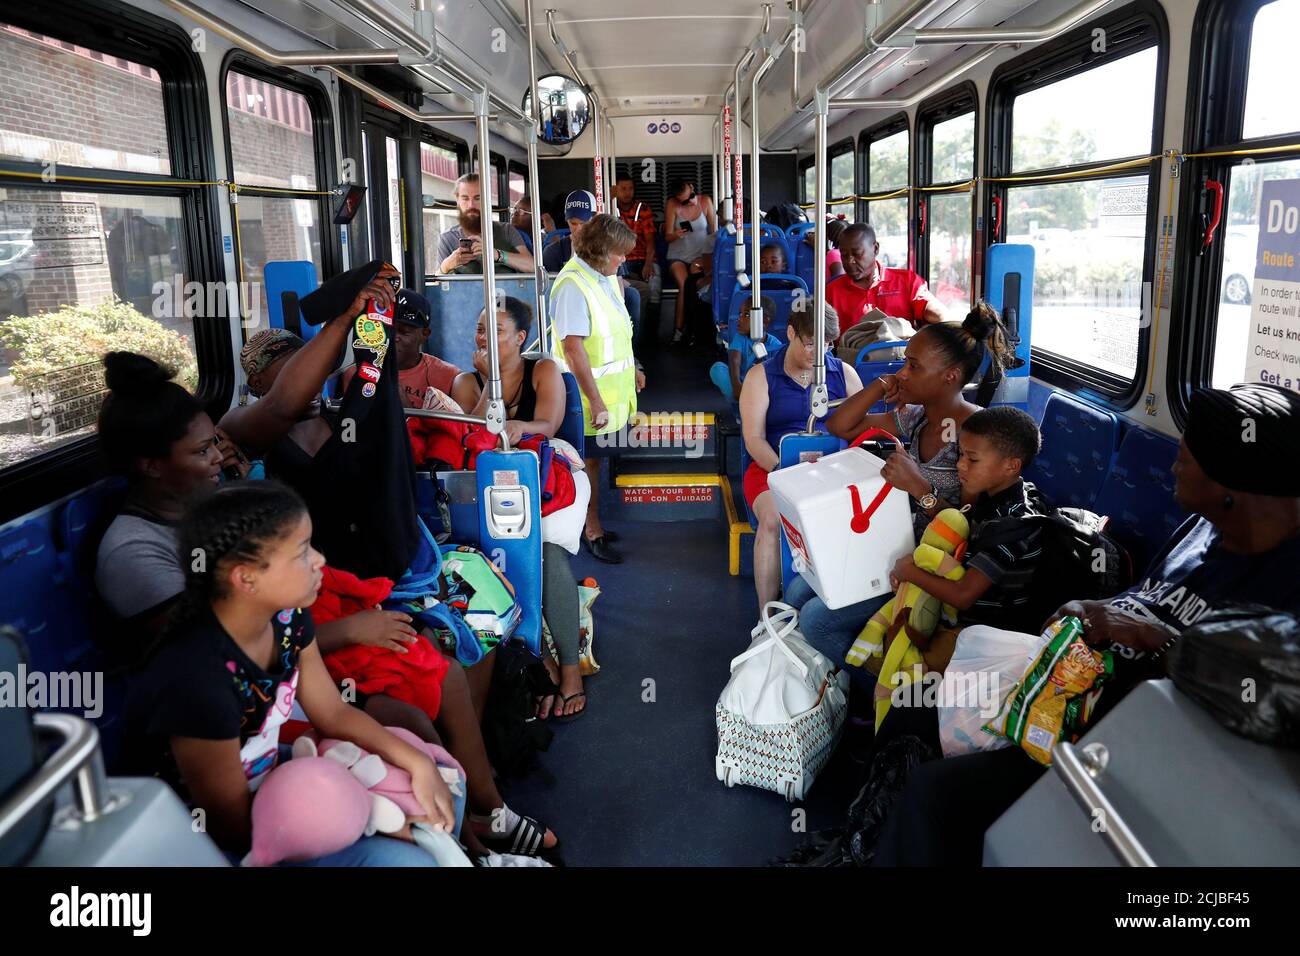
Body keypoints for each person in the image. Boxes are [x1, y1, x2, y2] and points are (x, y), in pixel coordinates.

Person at [94, 349, 557, 858]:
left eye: (216, 447)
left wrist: (411, 773)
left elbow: (329, 708)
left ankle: (474, 834)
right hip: (232, 811)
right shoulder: (184, 649)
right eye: (202, 452)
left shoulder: (281, 608)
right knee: (404, 739)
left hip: (273, 727)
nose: (217, 459)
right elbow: (231, 830)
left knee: (427, 730)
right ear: (151, 465)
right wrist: (350, 812)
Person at [870, 382, 1300, 866]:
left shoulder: (1284, 585)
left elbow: (1258, 696)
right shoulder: (1204, 529)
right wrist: (1088, 610)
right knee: (913, 711)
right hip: (1064, 684)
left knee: (935, 791)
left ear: (1233, 485)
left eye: (1190, 456)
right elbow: (1140, 602)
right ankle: (870, 839)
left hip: (1114, 735)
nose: (1175, 464)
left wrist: (1153, 639)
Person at [119, 481, 461, 866]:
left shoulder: (287, 617)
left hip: (273, 782)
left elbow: (333, 713)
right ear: (246, 578)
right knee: (410, 858)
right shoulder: (197, 682)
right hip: (217, 839)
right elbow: (231, 827)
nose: (319, 560)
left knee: (441, 783)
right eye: (302, 553)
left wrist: (419, 765)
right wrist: (367, 819)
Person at [781, 304, 1016, 669]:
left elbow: (970, 531)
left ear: (951, 376)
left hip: (928, 565)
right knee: (799, 587)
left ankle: (881, 699)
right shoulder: (916, 417)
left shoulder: (975, 435)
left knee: (816, 620)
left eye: (914, 367)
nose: (902, 374)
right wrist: (879, 386)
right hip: (895, 542)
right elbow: (839, 426)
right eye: (905, 363)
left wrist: (920, 488)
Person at [451, 297, 589, 719]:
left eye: (494, 330)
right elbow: (466, 437)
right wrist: (488, 385)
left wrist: (518, 424)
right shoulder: (465, 380)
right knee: (483, 557)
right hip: (486, 478)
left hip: (545, 471)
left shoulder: (544, 370)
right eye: (479, 329)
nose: (483, 338)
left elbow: (548, 424)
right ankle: (531, 657)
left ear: (521, 338)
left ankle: (569, 669)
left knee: (545, 554)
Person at [740, 302, 863, 607]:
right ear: (791, 333)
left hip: (832, 469)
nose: (816, 352)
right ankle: (766, 614)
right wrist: (784, 471)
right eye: (809, 343)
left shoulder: (843, 375)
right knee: (772, 519)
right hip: (773, 467)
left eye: (825, 344)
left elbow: (861, 430)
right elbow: (754, 439)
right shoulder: (761, 376)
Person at [550, 213, 645, 564]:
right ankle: (590, 530)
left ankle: (592, 524)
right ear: (601, 251)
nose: (624, 259)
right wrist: (596, 400)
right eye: (619, 253)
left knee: (594, 464)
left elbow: (619, 331)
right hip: (585, 400)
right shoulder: (573, 286)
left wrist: (634, 366)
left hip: (607, 396)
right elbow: (573, 350)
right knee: (584, 467)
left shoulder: (603, 279)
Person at [543, 190, 643, 343]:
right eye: (573, 223)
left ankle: (631, 351)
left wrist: (615, 311)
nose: (578, 229)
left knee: (632, 296)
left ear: (594, 221)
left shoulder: (608, 249)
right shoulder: (554, 251)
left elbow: (617, 286)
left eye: (584, 223)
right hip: (571, 304)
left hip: (604, 301)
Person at [339, 289, 459, 409]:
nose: (392, 338)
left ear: (425, 334)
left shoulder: (449, 377)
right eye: (385, 330)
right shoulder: (356, 373)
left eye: (404, 332)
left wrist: (402, 403)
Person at [828, 223, 948, 337]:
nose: (850, 261)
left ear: (875, 249)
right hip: (850, 357)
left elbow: (939, 314)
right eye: (844, 255)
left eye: (857, 253)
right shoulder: (831, 292)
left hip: (901, 356)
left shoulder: (907, 281)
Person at [436, 173, 535, 276]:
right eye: (465, 198)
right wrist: (447, 265)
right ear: (457, 200)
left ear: (487, 199)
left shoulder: (507, 230)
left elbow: (531, 266)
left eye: (477, 198)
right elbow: (437, 284)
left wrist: (497, 254)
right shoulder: (447, 238)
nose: (471, 205)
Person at [663, 178, 717, 344]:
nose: (688, 202)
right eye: (684, 201)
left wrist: (708, 257)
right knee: (684, 283)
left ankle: (696, 330)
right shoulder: (672, 205)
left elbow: (714, 233)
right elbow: (667, 236)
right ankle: (678, 331)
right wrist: (676, 234)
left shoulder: (705, 202)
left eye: (690, 197)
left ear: (692, 189)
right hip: (678, 254)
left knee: (697, 283)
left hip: (698, 255)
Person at [710, 293, 779, 402]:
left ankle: (749, 404)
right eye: (740, 314)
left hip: (763, 390)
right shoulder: (740, 337)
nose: (739, 319)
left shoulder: (775, 344)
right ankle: (743, 401)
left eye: (746, 315)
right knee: (717, 369)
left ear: (764, 321)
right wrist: (737, 385)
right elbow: (734, 360)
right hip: (741, 385)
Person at [613, 172, 659, 313]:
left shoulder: (642, 209)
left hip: (644, 258)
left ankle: (652, 329)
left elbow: (650, 241)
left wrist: (648, 264)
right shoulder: (611, 208)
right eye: (623, 189)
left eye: (630, 188)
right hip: (622, 260)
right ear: (616, 190)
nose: (627, 193)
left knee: (655, 284)